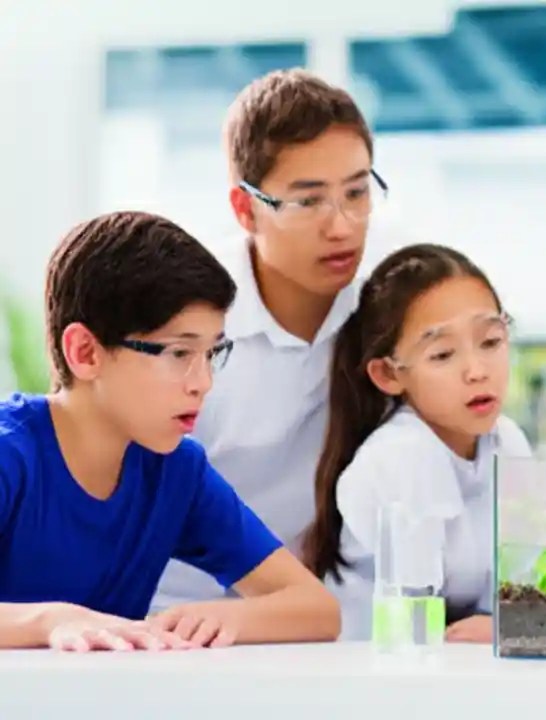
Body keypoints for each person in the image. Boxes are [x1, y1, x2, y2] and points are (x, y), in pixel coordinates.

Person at [0, 211, 340, 651]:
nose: (204, 382)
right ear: (85, 352)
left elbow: (318, 610)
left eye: (211, 353)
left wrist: (224, 616)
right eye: (179, 353)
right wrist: (50, 621)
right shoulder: (12, 456)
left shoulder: (175, 470)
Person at [151, 68, 386, 611]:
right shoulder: (182, 323)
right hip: (170, 615)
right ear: (244, 209)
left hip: (320, 619)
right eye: (308, 202)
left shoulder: (386, 312)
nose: (342, 226)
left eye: (357, 192)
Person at [301, 244, 532, 644]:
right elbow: (415, 621)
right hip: (371, 662)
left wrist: (510, 623)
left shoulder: (507, 441)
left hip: (457, 661)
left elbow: (523, 585)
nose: (477, 371)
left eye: (491, 341)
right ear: (389, 374)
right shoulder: (401, 456)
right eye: (442, 355)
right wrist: (509, 626)